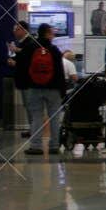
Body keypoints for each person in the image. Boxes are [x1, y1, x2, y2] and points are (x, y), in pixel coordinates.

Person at [16, 23, 67, 156]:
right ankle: (54, 146)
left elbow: (25, 68)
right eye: (52, 32)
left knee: (36, 117)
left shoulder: (31, 48)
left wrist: (26, 84)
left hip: (34, 88)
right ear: (47, 33)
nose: (53, 35)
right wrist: (62, 89)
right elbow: (60, 71)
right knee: (54, 118)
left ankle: (36, 146)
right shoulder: (54, 50)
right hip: (53, 89)